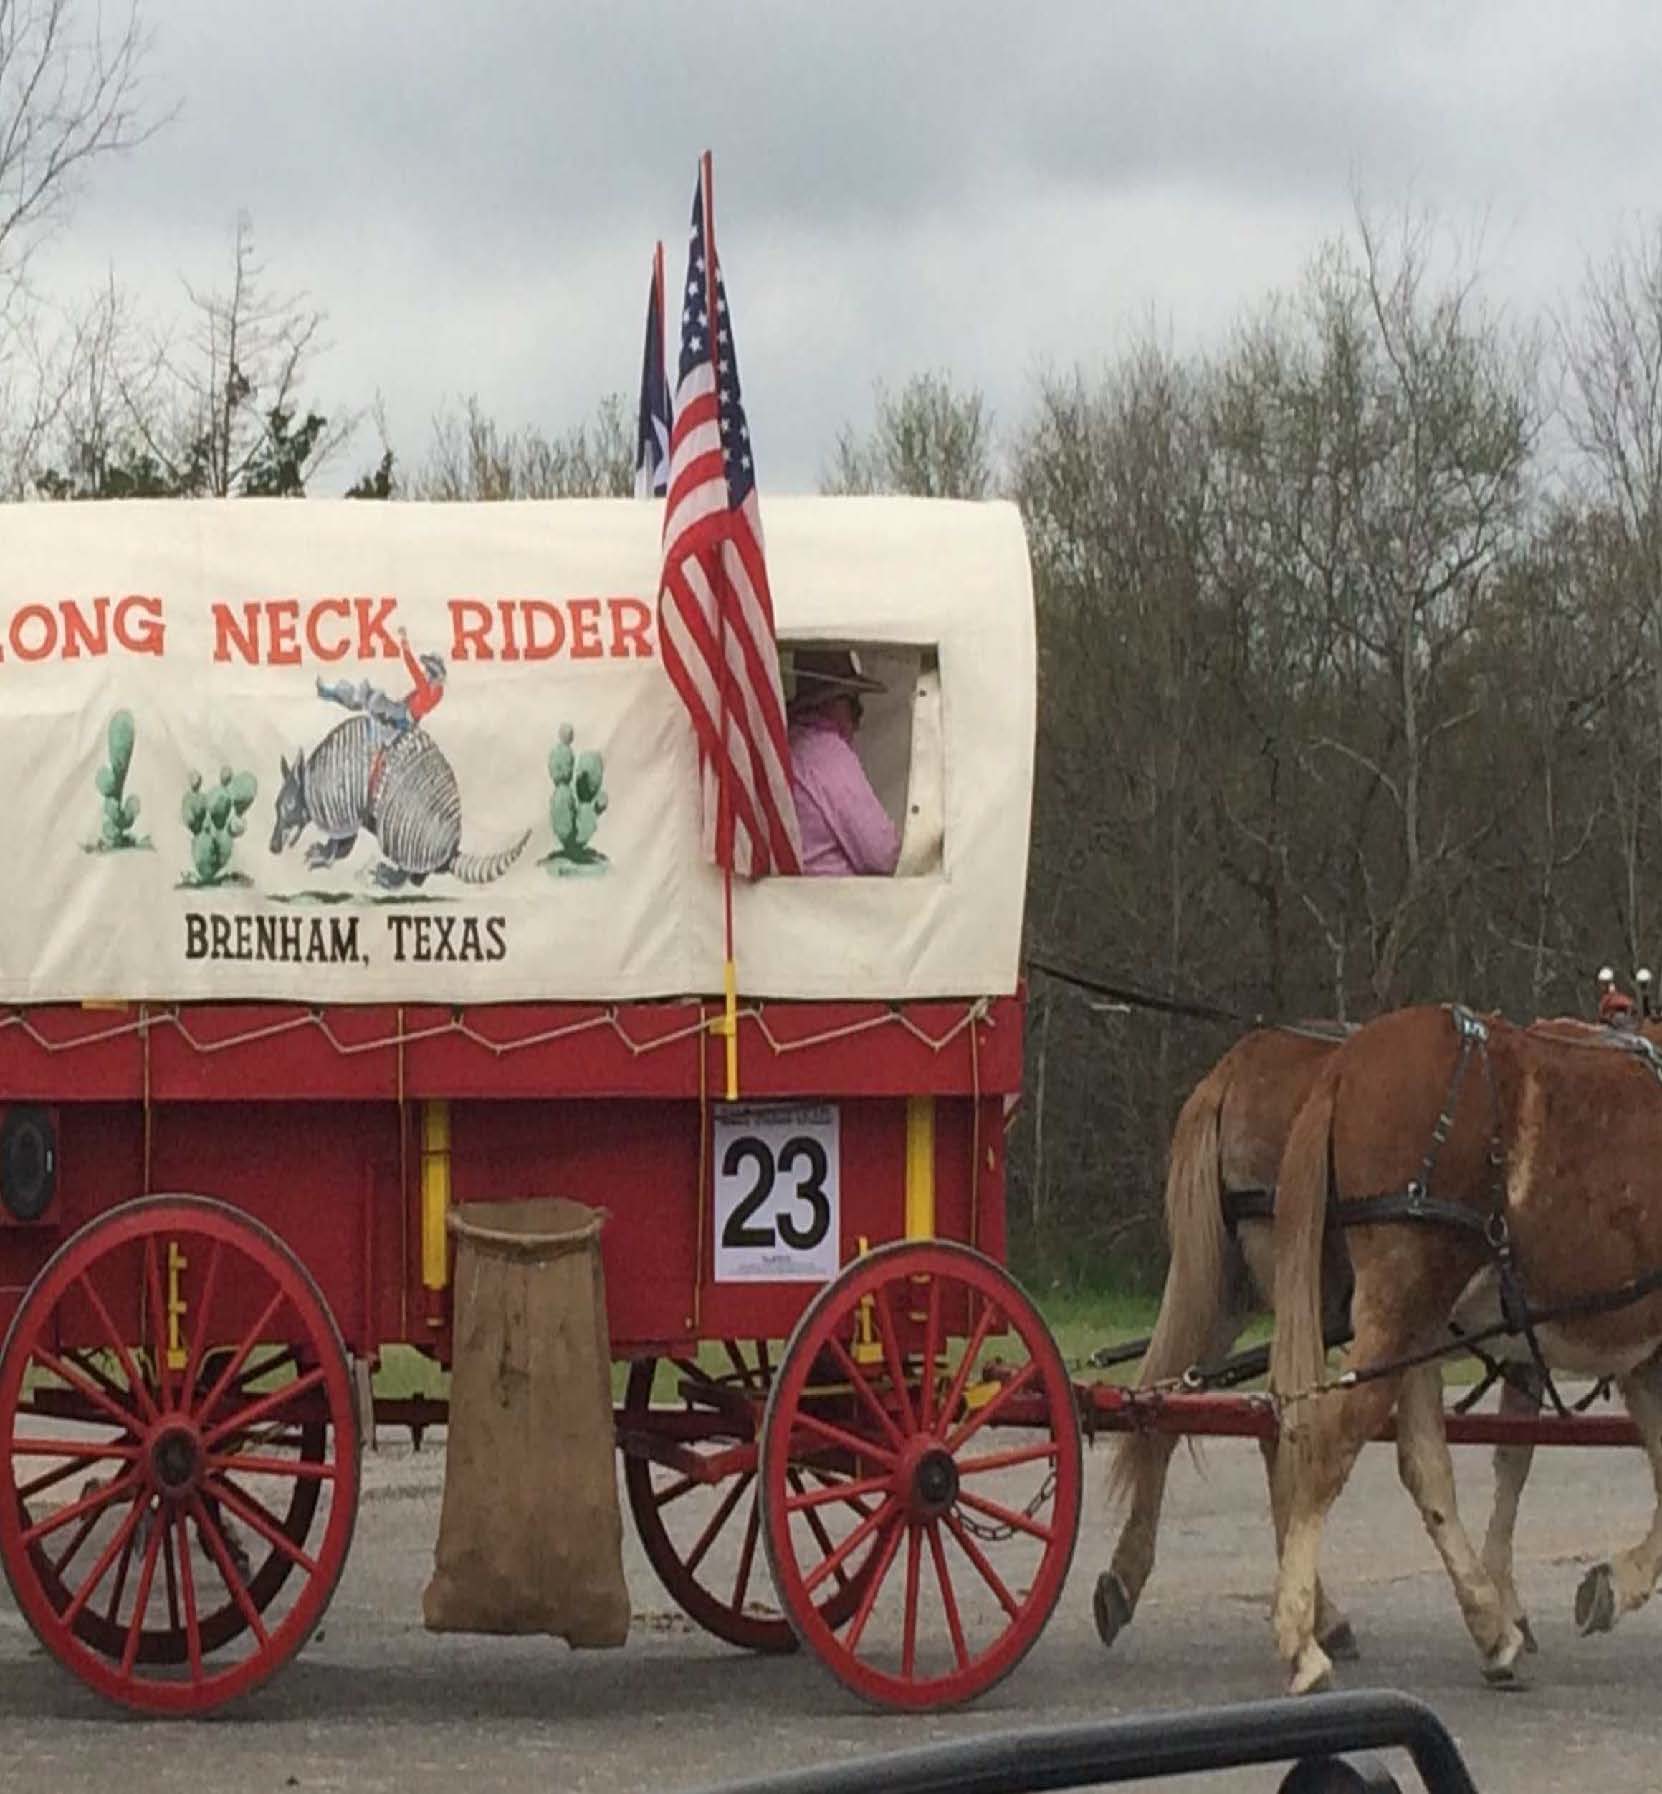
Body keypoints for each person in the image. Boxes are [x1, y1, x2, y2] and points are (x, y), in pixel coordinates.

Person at [786, 647, 900, 877]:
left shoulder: (788, 743)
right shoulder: (828, 752)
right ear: (832, 702)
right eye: (853, 703)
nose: (858, 716)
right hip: (833, 905)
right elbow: (882, 854)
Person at [317, 628, 447, 803]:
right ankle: (333, 694)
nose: (425, 673)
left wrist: (404, 644)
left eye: (428, 671)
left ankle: (332, 694)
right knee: (368, 700)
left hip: (401, 715)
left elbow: (414, 671)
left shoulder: (429, 691)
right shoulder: (435, 692)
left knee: (370, 698)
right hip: (403, 713)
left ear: (432, 675)